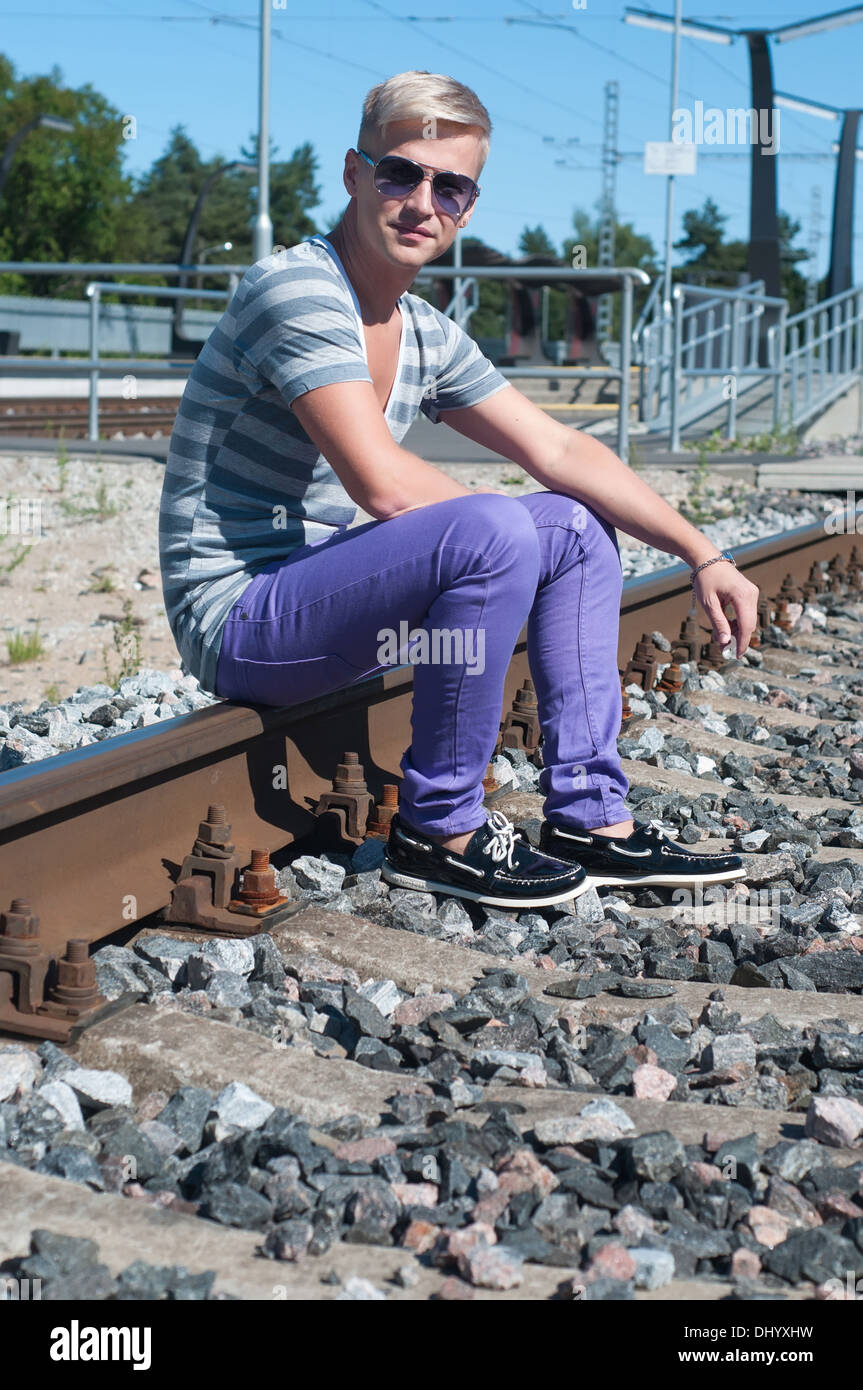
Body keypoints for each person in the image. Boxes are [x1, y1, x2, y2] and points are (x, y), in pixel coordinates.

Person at [159, 69, 757, 911]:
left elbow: (555, 446)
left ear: (468, 206)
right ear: (353, 173)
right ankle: (437, 828)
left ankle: (592, 817)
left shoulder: (424, 332)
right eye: (398, 173)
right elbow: (383, 485)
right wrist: (502, 544)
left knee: (573, 529)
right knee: (497, 529)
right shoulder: (298, 291)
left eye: (449, 186)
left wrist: (704, 551)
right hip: (240, 616)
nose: (420, 202)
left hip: (323, 596)